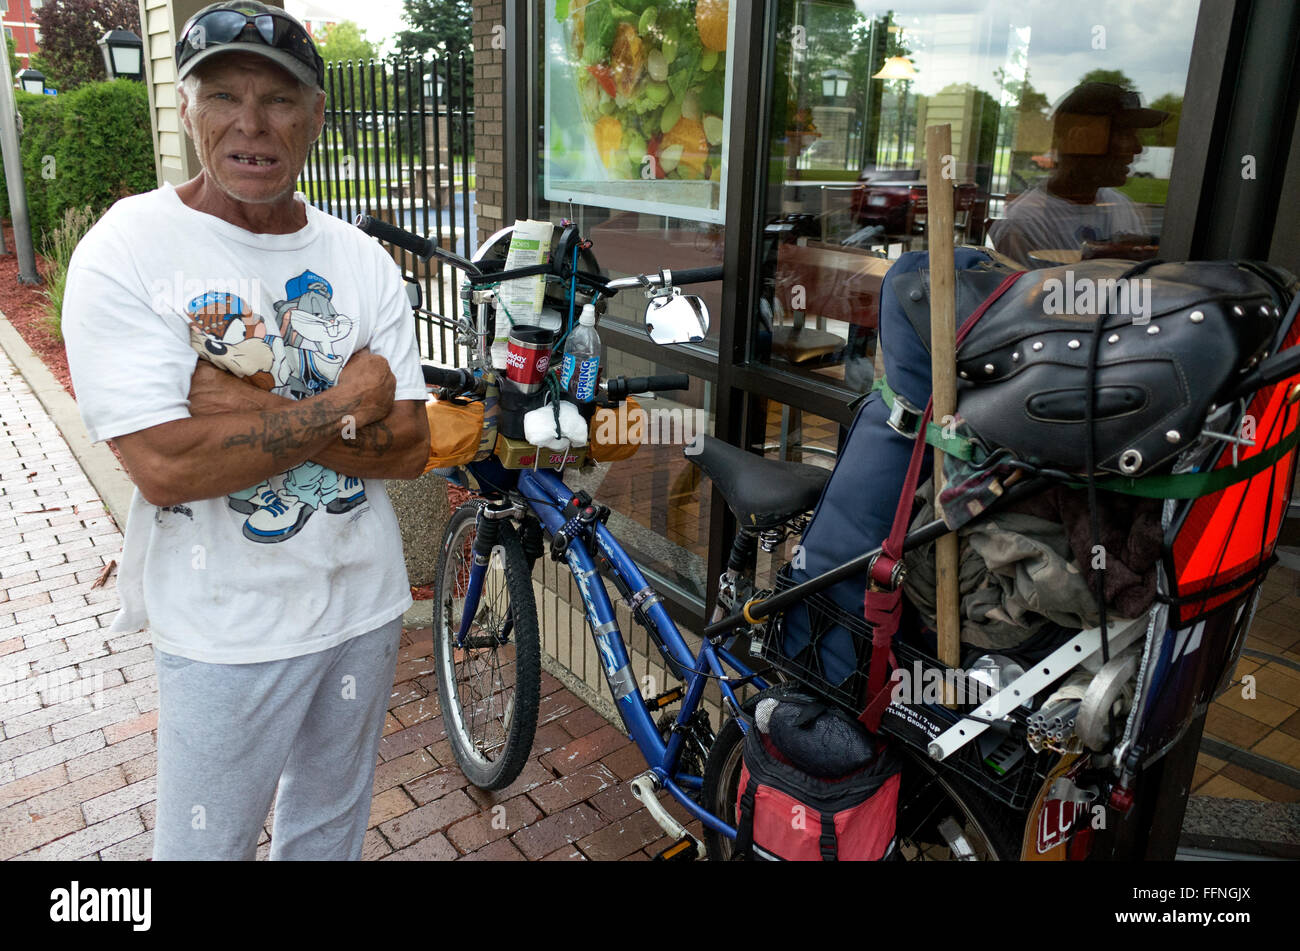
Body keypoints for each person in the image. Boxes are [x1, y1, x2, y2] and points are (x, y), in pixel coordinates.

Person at [61, 1, 431, 860]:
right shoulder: (130, 247)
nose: (252, 124)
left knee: (328, 834)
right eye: (223, 95)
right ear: (187, 107)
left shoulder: (358, 259)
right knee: (206, 848)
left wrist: (237, 408)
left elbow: (412, 444)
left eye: (281, 100)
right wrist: (347, 401)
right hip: (225, 632)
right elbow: (162, 462)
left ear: (315, 116)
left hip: (363, 608)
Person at [990, 82, 1168, 268]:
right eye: (1124, 134)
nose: (1137, 147)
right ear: (1080, 140)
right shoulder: (1022, 226)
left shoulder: (1121, 206)